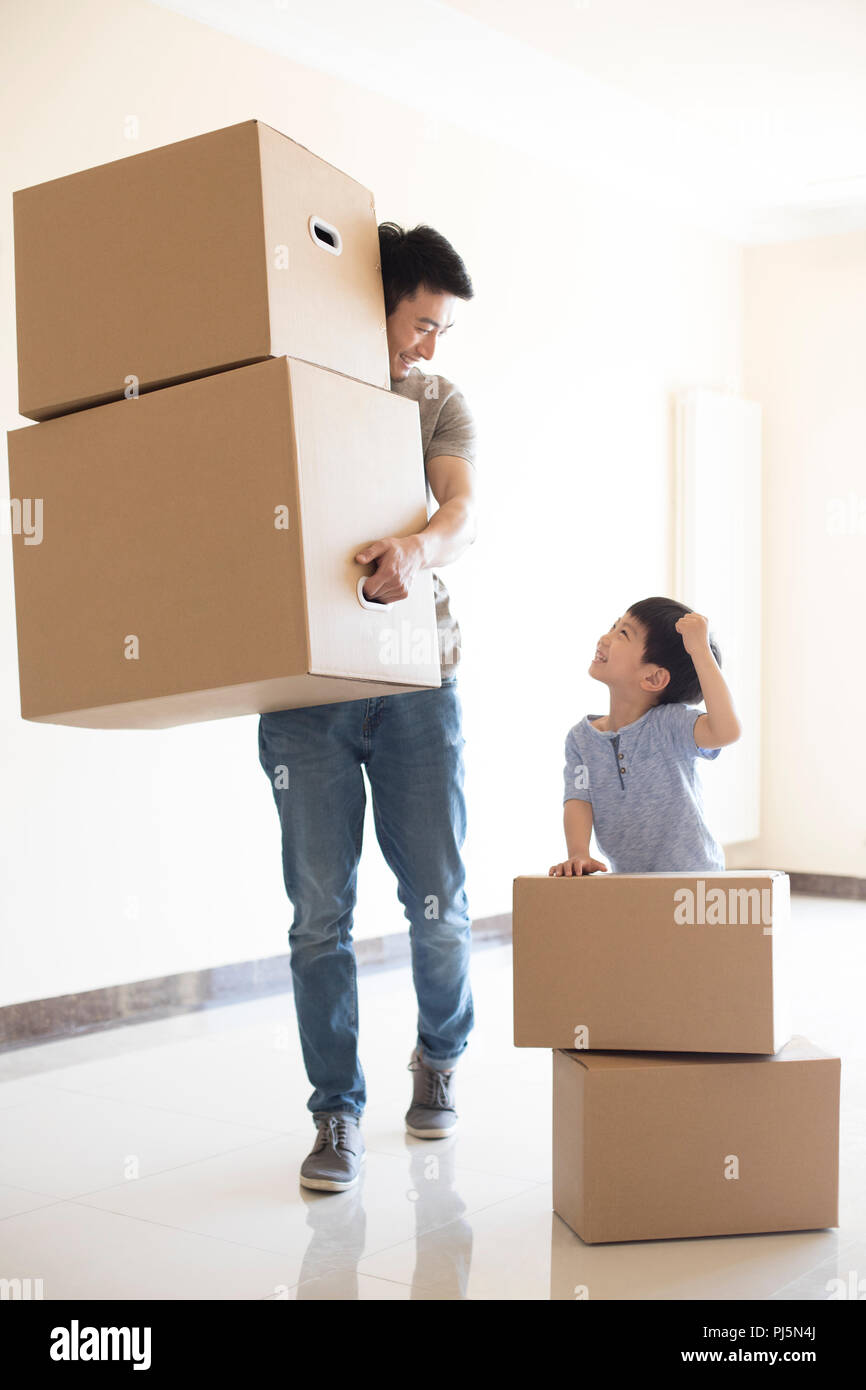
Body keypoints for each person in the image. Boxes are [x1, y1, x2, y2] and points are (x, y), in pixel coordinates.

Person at [258, 223, 479, 1192]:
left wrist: (416, 551)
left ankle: (438, 1053)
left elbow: (459, 510)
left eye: (438, 329)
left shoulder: (432, 398)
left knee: (435, 899)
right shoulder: (287, 381)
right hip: (303, 692)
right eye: (420, 322)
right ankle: (333, 1113)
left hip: (414, 685)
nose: (428, 344)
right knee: (318, 916)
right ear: (373, 300)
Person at [550, 597, 741, 877]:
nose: (605, 638)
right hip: (632, 881)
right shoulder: (581, 739)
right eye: (614, 626)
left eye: (622, 634)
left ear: (653, 678)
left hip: (696, 877)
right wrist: (579, 853)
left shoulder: (671, 725)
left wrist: (700, 650)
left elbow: (726, 731)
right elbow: (578, 799)